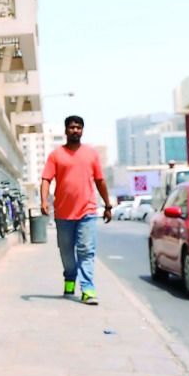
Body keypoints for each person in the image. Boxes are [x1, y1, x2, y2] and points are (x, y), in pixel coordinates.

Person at [39, 115, 112, 304]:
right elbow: (46, 179)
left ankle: (88, 289)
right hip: (63, 213)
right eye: (72, 127)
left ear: (82, 131)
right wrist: (44, 200)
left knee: (86, 250)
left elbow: (100, 181)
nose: (75, 130)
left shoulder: (91, 154)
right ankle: (70, 279)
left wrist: (107, 205)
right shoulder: (56, 155)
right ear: (66, 130)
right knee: (66, 252)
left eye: (79, 127)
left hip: (87, 211)